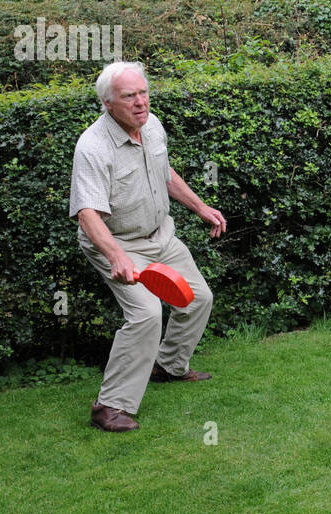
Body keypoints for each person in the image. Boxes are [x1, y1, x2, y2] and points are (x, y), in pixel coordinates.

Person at [69, 60, 226, 432]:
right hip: (118, 243)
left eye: (144, 93)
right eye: (129, 96)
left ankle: (168, 365)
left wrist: (200, 206)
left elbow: (164, 173)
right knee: (145, 315)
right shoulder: (92, 147)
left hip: (161, 236)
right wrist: (116, 256)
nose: (141, 102)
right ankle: (108, 407)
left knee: (198, 298)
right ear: (108, 103)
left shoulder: (152, 126)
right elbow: (87, 213)